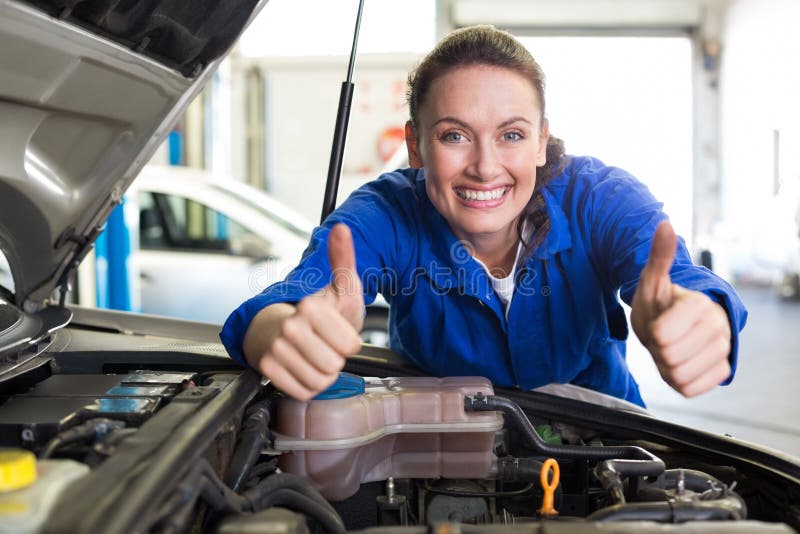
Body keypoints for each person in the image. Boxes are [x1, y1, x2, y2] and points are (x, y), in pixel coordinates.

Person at [220, 25, 747, 406]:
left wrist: (698, 315)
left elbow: (679, 282)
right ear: (416, 145)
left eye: (512, 135)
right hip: (440, 453)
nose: (485, 167)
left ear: (542, 141)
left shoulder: (603, 200)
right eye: (454, 135)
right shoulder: (385, 213)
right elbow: (284, 304)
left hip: (603, 443)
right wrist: (283, 332)